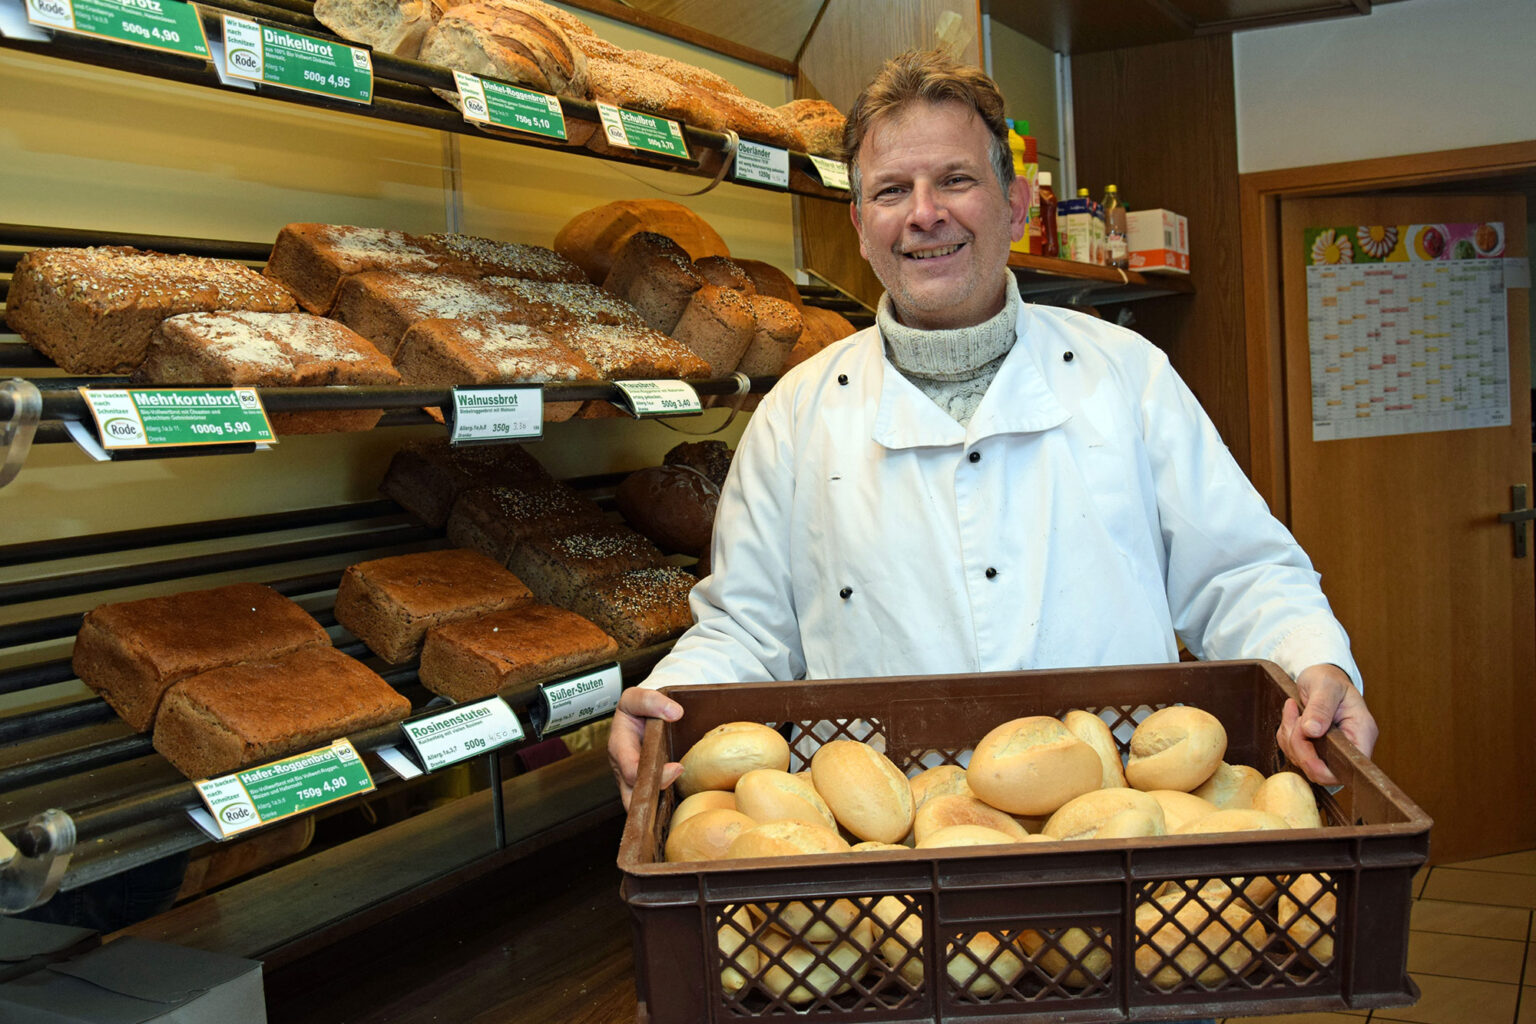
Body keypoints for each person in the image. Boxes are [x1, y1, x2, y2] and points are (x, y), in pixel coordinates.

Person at [608, 50, 1377, 810]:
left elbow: (1240, 573)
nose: (924, 213)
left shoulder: (1126, 376)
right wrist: (668, 700)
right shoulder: (796, 414)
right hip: (886, 841)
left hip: (1114, 820)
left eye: (955, 180)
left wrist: (1316, 662)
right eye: (891, 190)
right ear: (861, 226)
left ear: (1014, 204)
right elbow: (746, 631)